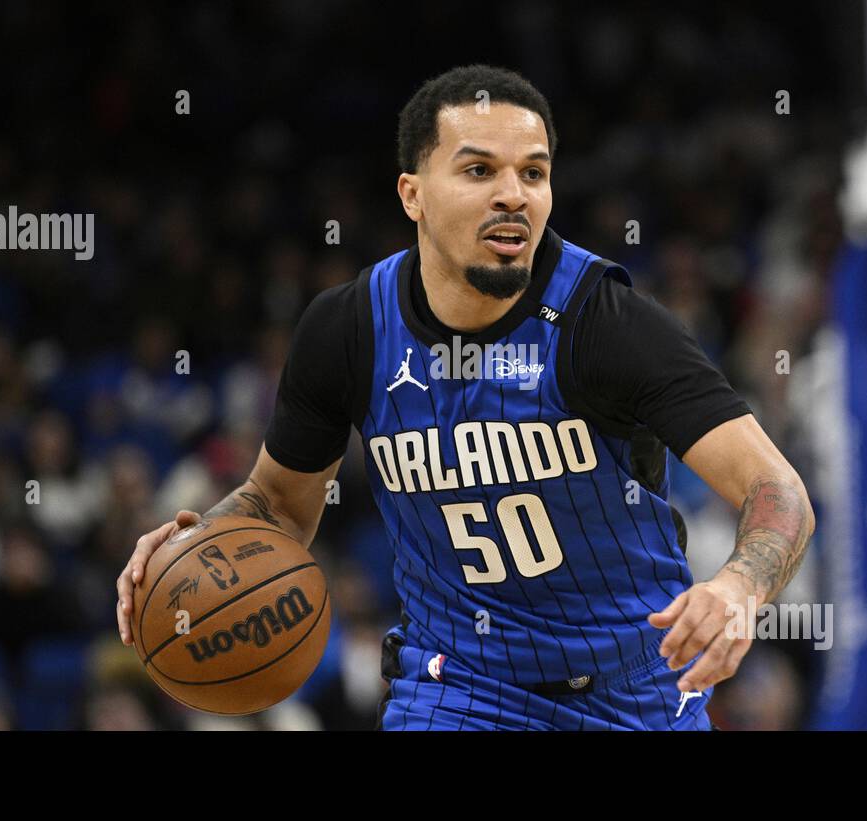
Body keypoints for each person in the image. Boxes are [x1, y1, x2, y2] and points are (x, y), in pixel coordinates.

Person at [117, 64, 815, 730]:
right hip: (456, 691)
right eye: (479, 169)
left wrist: (737, 588)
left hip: (635, 692)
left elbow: (777, 489)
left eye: (533, 173)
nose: (513, 193)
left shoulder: (606, 325)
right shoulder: (348, 330)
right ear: (412, 193)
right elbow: (276, 504)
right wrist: (200, 540)